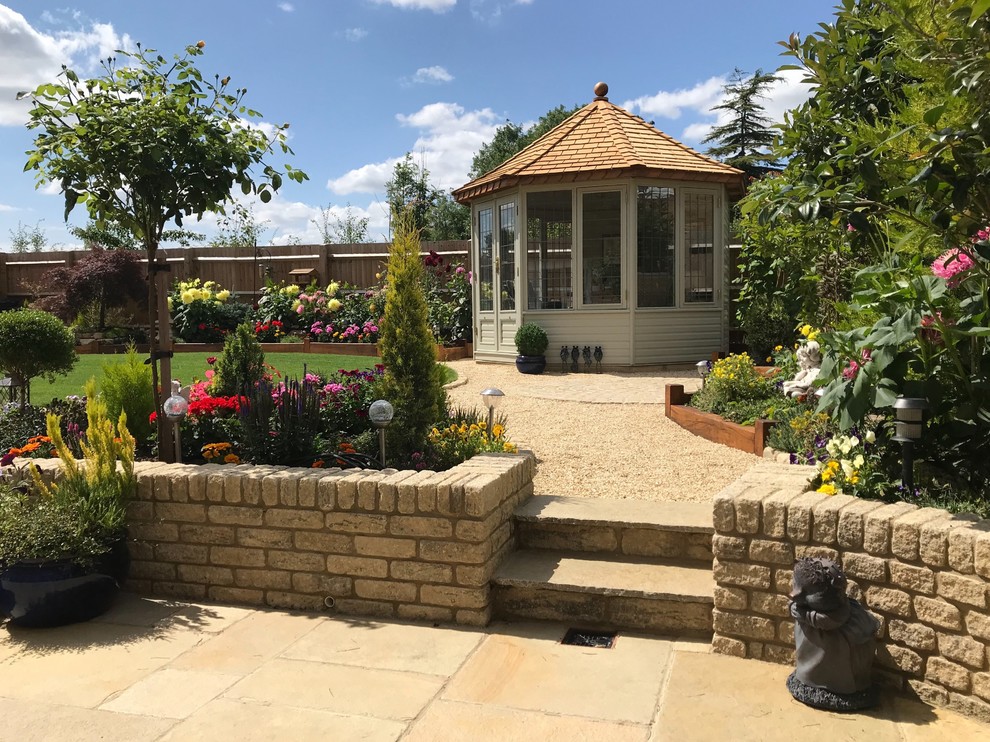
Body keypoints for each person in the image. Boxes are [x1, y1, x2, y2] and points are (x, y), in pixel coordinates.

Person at [787, 557, 880, 711]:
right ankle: (810, 677)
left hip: (838, 654)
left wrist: (806, 616)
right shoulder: (801, 605)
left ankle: (835, 685)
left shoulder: (841, 613)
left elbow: (832, 621)